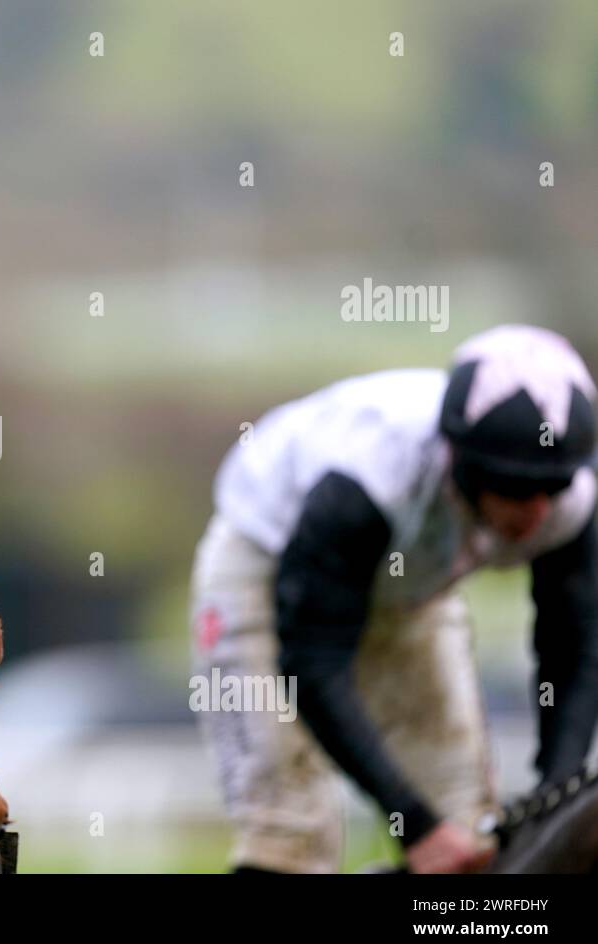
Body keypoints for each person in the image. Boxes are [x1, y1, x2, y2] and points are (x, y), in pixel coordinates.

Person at [190, 324, 598, 873]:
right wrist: (413, 823)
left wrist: (558, 786)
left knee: (469, 832)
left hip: (410, 590)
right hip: (265, 568)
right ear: (463, 463)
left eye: (551, 489)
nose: (537, 515)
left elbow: (574, 645)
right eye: (516, 488)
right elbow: (311, 664)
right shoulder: (368, 479)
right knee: (292, 832)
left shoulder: (566, 498)